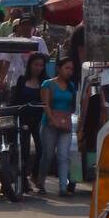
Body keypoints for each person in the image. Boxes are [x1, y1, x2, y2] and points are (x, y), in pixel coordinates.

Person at [38, 58, 77, 196]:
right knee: (47, 155)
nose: (69, 72)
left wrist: (66, 118)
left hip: (65, 124)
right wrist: (52, 119)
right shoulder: (47, 84)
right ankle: (40, 181)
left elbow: (73, 107)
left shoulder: (71, 86)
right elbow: (45, 104)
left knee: (63, 155)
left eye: (71, 69)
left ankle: (62, 187)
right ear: (59, 68)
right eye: (67, 68)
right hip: (49, 124)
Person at [11, 52, 48, 191]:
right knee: (24, 150)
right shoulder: (22, 80)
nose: (38, 68)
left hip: (40, 120)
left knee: (41, 149)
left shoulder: (46, 82)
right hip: (23, 120)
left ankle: (35, 174)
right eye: (36, 64)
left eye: (41, 65)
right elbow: (15, 100)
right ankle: (23, 179)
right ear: (30, 65)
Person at [3, 17, 49, 91]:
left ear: (33, 27)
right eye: (24, 25)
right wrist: (2, 80)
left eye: (29, 25)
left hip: (35, 83)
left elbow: (47, 59)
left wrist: (36, 54)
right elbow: (6, 61)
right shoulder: (14, 42)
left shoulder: (39, 41)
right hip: (16, 81)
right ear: (20, 27)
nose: (26, 27)